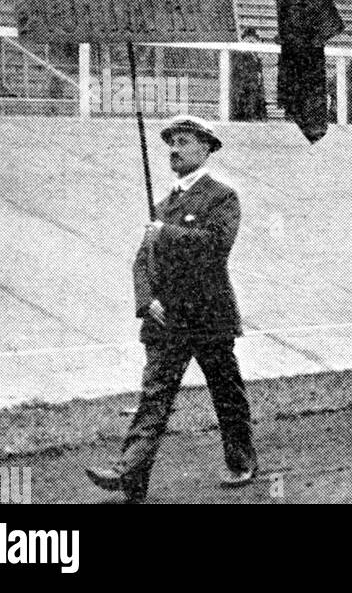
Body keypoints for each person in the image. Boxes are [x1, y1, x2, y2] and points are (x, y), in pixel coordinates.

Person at [85, 116, 256, 503]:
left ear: (205, 148)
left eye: (183, 142)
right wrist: (147, 301)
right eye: (170, 143)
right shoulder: (161, 206)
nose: (174, 150)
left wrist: (166, 233)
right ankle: (131, 475)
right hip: (168, 319)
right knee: (154, 396)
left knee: (226, 391)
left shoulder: (222, 197)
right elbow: (142, 261)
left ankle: (241, 460)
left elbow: (215, 246)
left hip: (209, 315)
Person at [231, 28, 268, 121]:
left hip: (254, 85)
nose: (252, 42)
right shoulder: (241, 54)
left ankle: (256, 115)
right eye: (249, 40)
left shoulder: (256, 56)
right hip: (245, 86)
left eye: (254, 40)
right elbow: (239, 72)